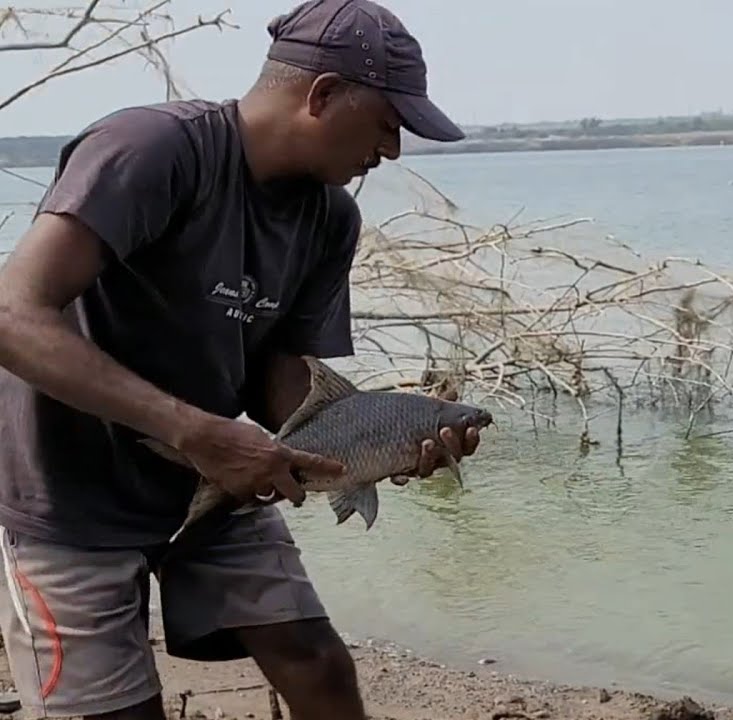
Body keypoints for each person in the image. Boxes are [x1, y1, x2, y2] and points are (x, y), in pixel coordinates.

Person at [0, 0, 485, 717]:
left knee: (320, 667)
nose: (394, 151)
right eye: (389, 123)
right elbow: (13, 317)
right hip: (64, 490)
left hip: (223, 473)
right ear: (321, 95)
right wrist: (194, 432)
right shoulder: (154, 150)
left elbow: (282, 374)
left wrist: (374, 442)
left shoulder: (330, 217)